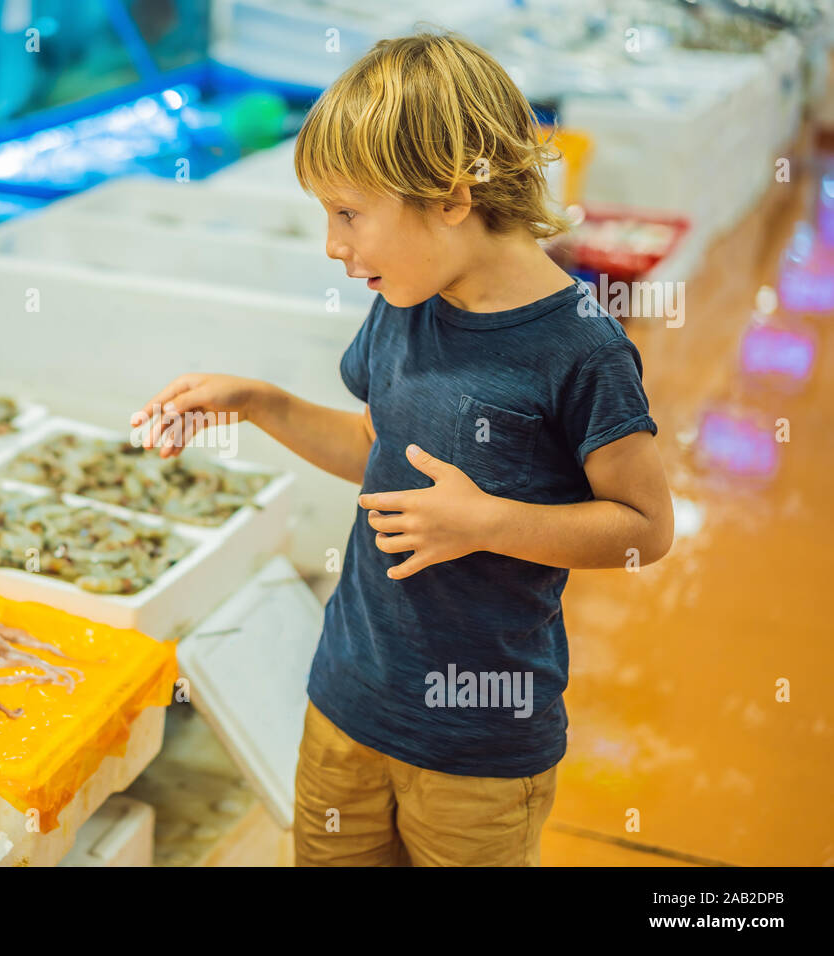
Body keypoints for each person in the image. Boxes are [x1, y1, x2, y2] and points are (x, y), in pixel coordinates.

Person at [131, 33, 674, 866]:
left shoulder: (584, 350)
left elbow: (644, 527)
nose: (332, 244)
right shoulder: (405, 301)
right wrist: (258, 401)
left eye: (348, 214)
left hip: (479, 749)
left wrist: (485, 522)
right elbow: (372, 449)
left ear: (452, 197)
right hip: (347, 701)